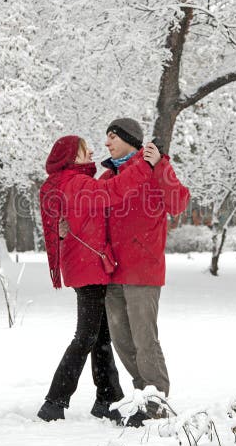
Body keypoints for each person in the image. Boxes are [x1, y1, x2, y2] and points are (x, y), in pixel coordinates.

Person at [37, 135, 162, 422]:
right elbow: (114, 191)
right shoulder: (76, 182)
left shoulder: (69, 182)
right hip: (88, 269)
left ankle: (108, 397)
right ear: (71, 157)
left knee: (101, 336)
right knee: (86, 337)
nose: (92, 151)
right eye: (85, 150)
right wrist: (144, 166)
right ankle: (54, 401)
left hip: (88, 266)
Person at [99, 118, 190, 426]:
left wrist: (161, 166)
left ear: (128, 139)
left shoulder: (153, 167)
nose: (107, 142)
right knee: (122, 339)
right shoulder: (107, 175)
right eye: (106, 137)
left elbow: (178, 202)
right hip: (112, 272)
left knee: (144, 339)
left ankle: (156, 400)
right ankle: (142, 397)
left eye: (112, 137)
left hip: (143, 270)